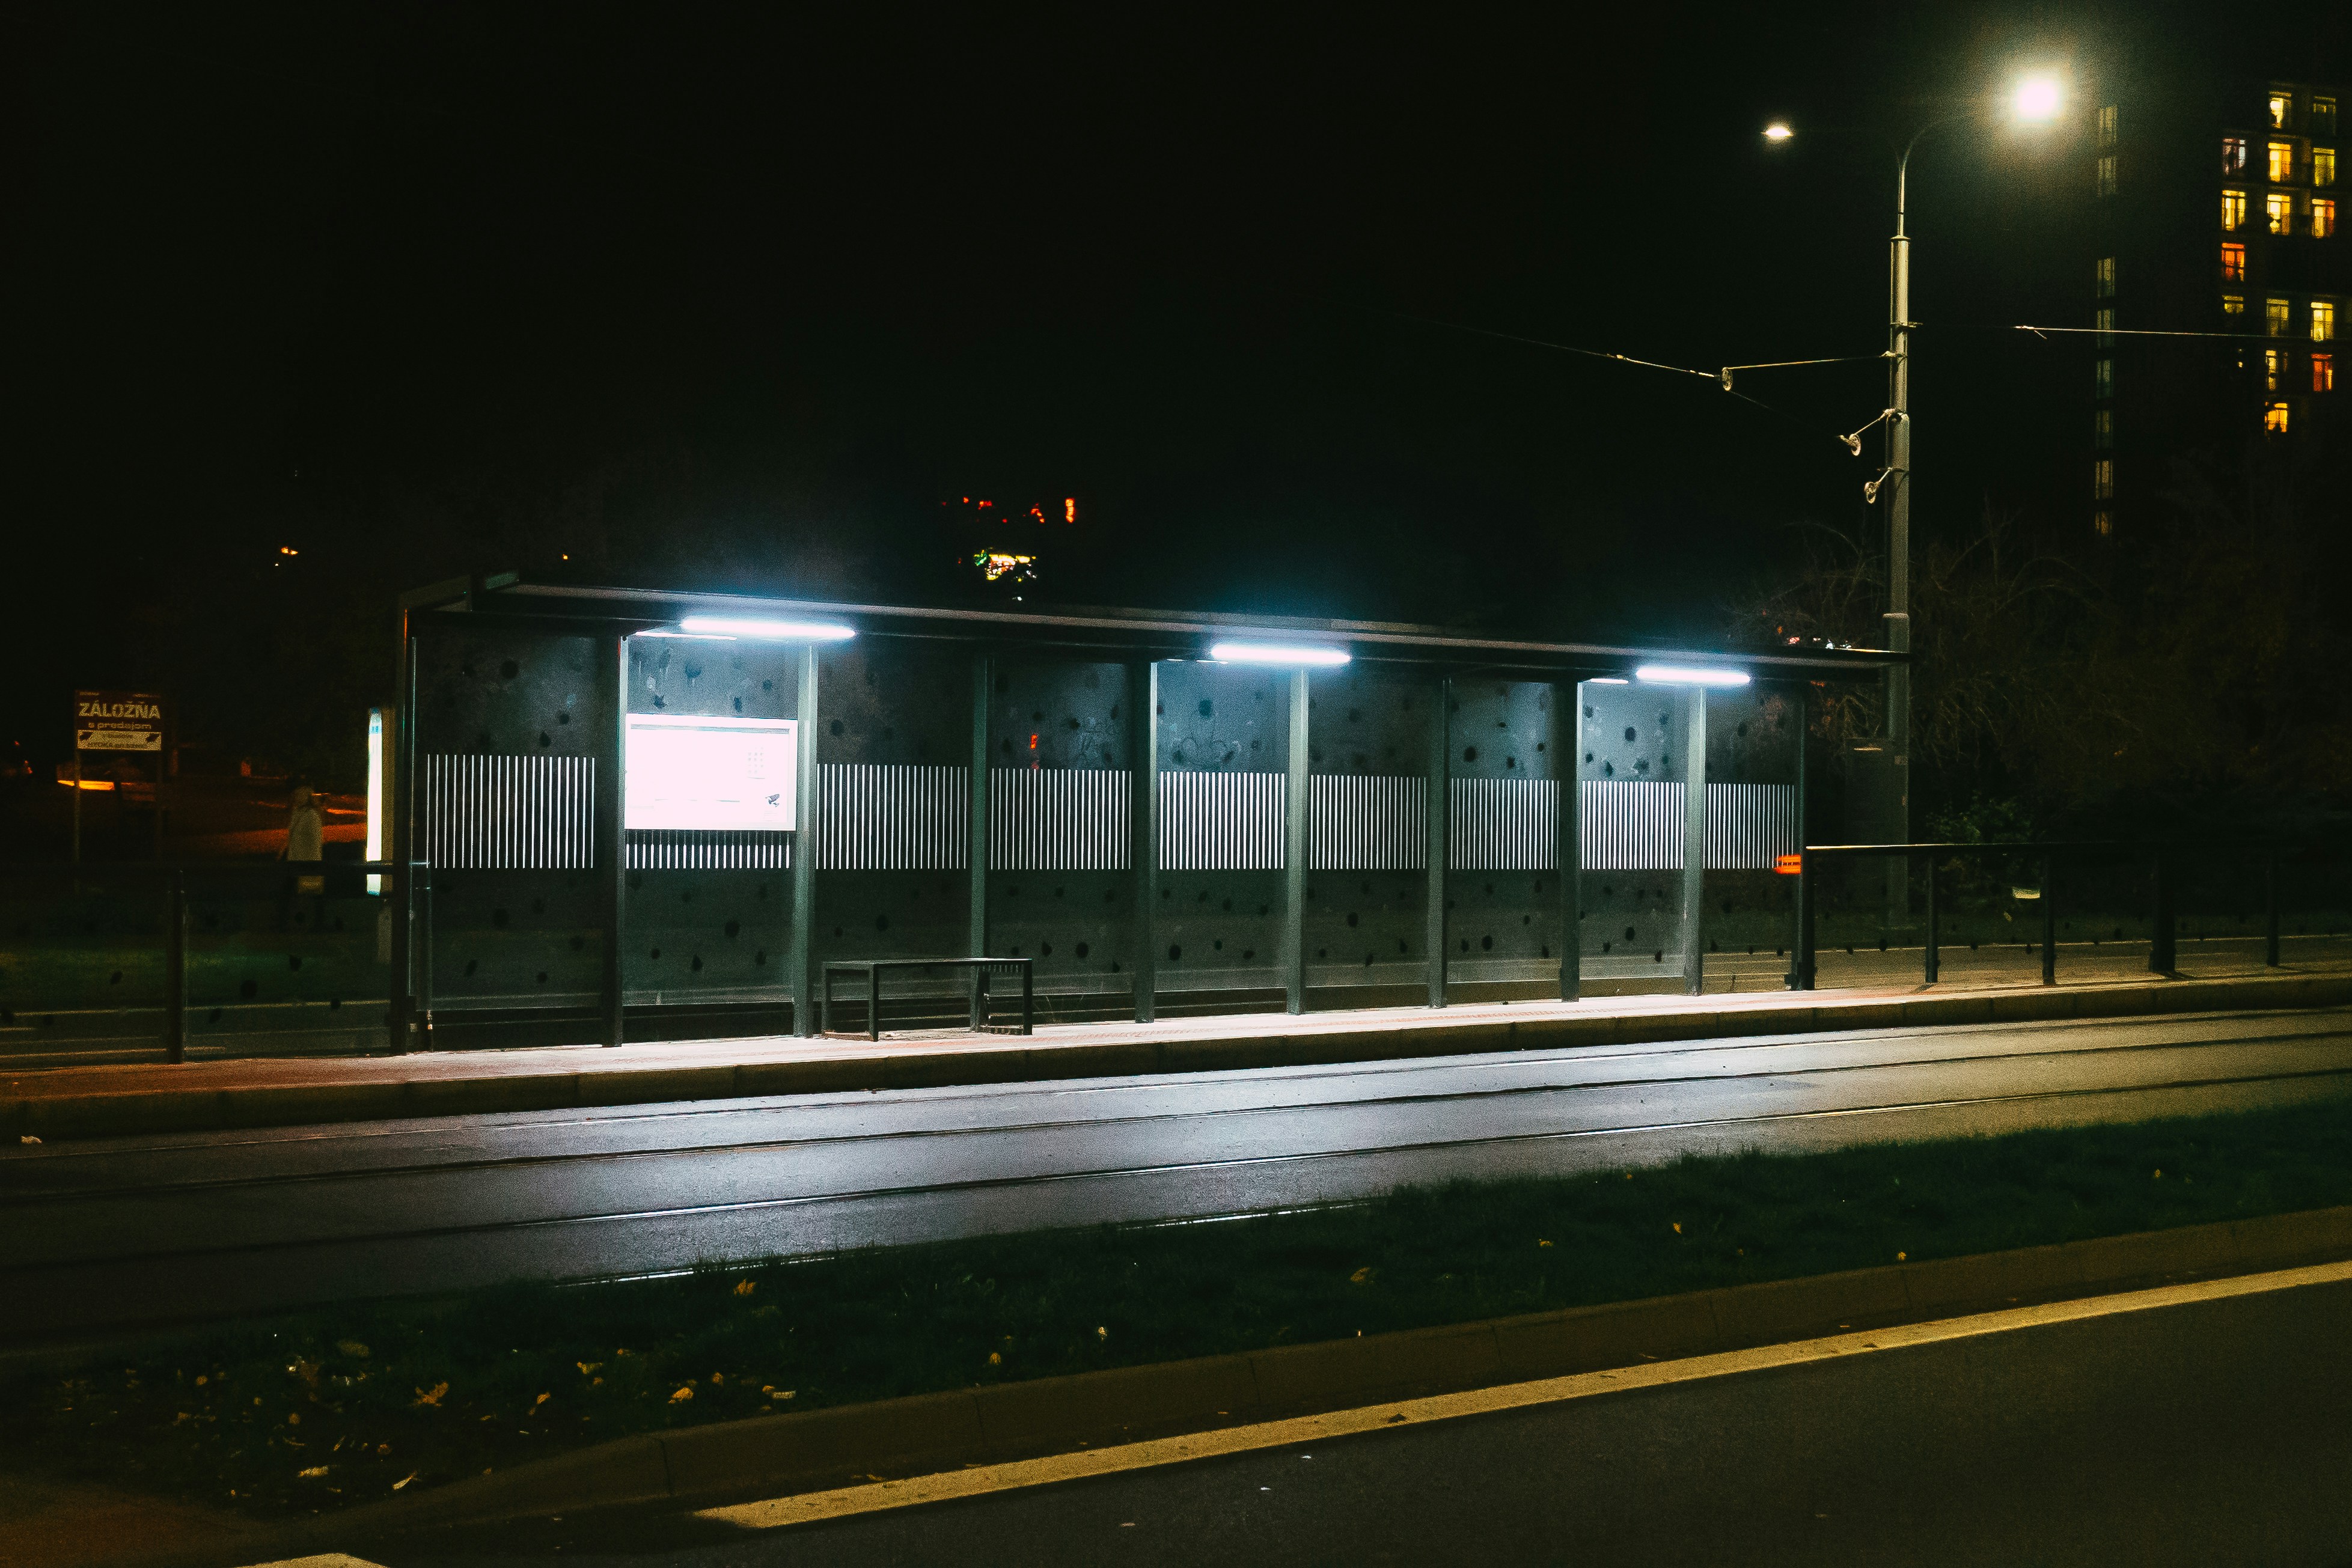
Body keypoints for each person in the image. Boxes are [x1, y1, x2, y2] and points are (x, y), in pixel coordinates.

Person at [283, 783, 326, 929]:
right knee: (296, 895)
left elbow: (316, 842)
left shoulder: (312, 816)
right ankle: (298, 923)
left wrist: (313, 865)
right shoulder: (297, 813)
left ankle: (306, 924)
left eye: (301, 795)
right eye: (296, 794)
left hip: (305, 863)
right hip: (294, 861)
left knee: (304, 895)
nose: (297, 797)